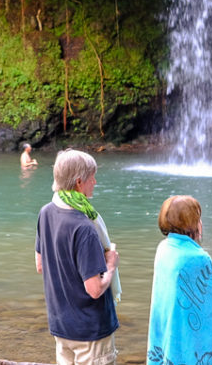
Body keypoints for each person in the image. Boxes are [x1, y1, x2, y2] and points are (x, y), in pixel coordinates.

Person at [35, 149, 120, 365]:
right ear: (79, 183)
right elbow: (94, 289)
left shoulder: (45, 212)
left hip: (61, 326)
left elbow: (40, 265)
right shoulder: (85, 227)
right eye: (93, 176)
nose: (96, 181)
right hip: (91, 332)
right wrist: (110, 265)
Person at [146, 195, 212, 365]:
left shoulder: (164, 248)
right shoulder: (198, 258)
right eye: (198, 218)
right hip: (187, 339)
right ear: (191, 223)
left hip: (169, 329)